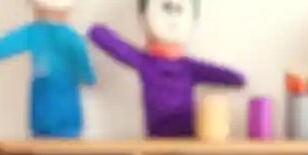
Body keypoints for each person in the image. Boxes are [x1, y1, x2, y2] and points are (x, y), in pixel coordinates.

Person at [88, 0, 246, 138]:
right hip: (159, 134)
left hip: (185, 131)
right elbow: (103, 37)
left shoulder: (188, 67)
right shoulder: (147, 62)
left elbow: (233, 78)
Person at [0, 0, 96, 139]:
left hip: (41, 106)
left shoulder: (32, 33)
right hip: (67, 108)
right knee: (66, 143)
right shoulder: (71, 37)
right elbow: (86, 72)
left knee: (42, 140)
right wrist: (88, 76)